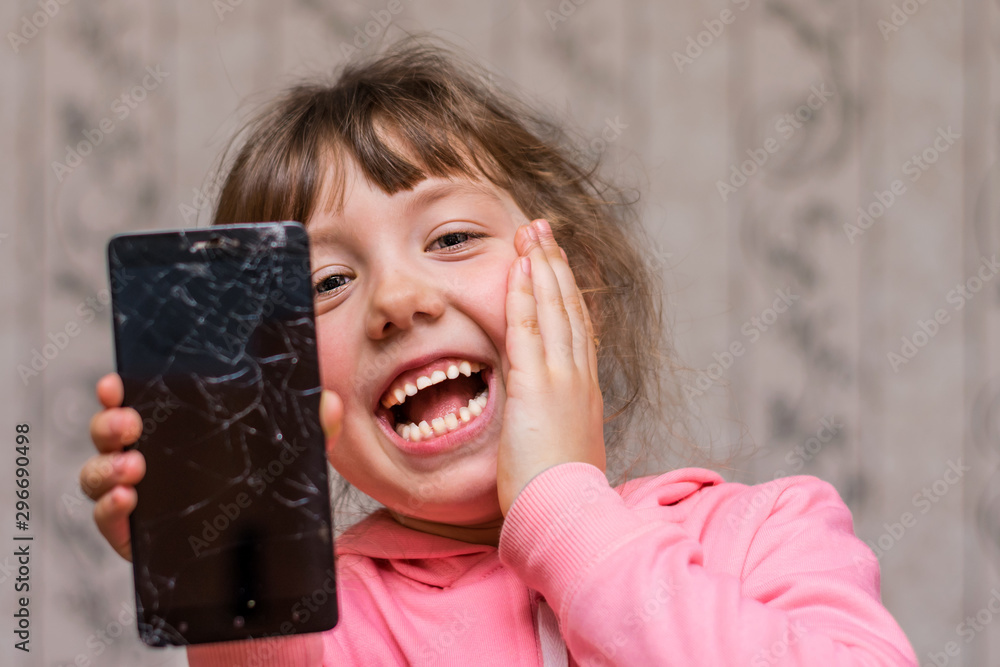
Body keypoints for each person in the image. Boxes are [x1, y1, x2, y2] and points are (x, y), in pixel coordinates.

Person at [80, 37, 918, 666]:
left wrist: (567, 514)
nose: (397, 300)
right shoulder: (323, 624)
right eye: (328, 282)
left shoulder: (763, 533)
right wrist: (229, 558)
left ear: (576, 288)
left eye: (450, 237)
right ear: (280, 377)